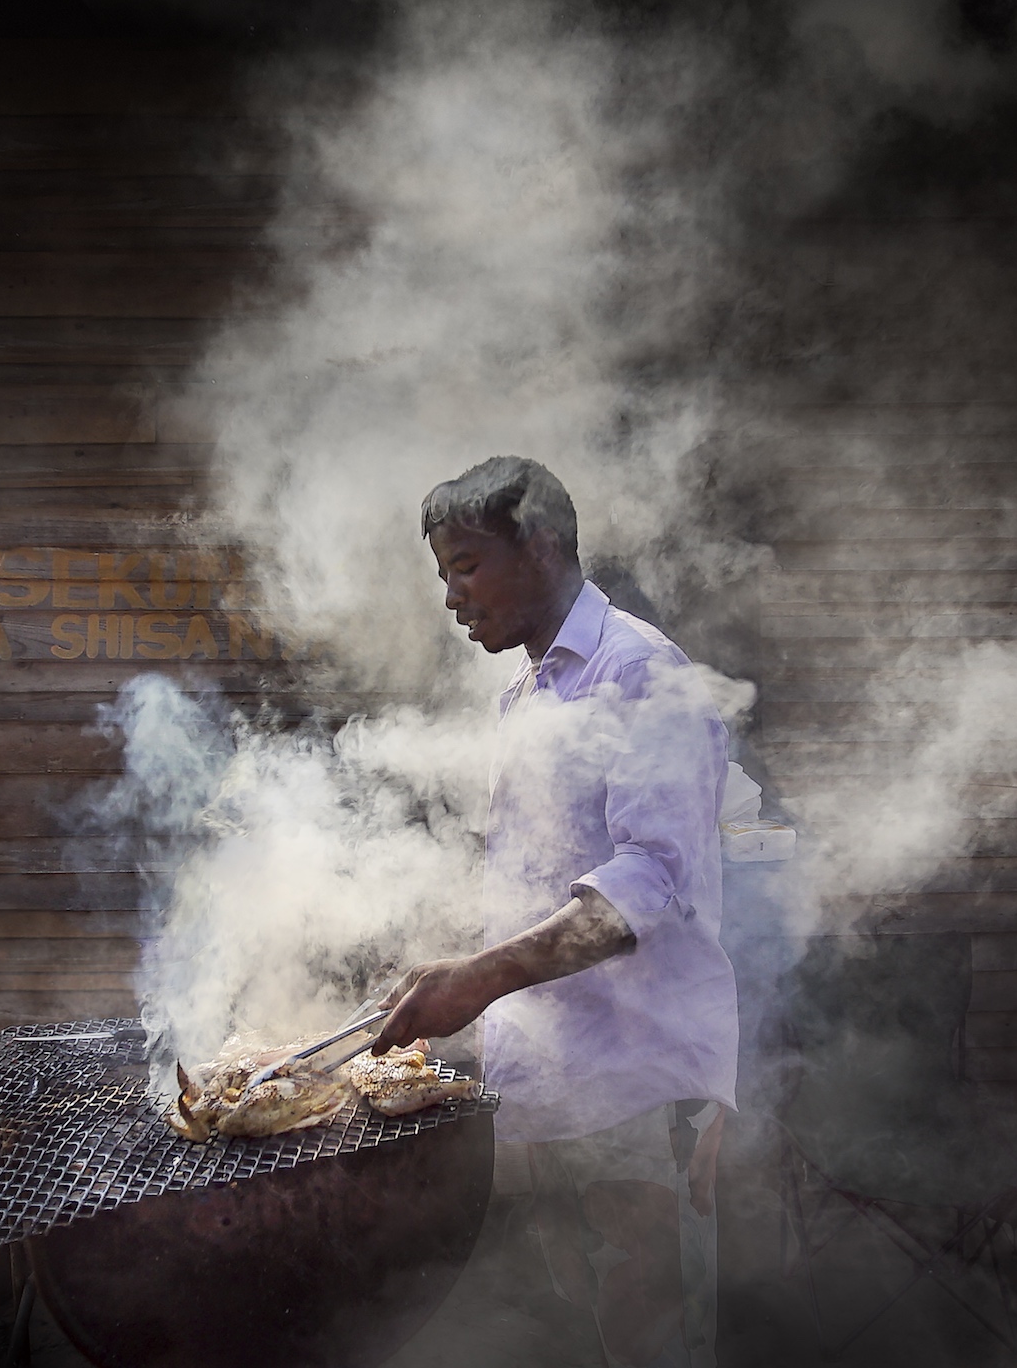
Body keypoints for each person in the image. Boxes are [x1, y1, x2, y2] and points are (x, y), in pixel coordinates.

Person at [375, 456, 739, 1368]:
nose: (452, 597)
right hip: (552, 1093)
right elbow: (542, 886)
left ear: (540, 545)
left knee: (652, 1347)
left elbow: (650, 881)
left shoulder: (643, 674)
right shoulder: (527, 693)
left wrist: (481, 977)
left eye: (466, 565)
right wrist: (454, 973)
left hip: (637, 1099)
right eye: (443, 574)